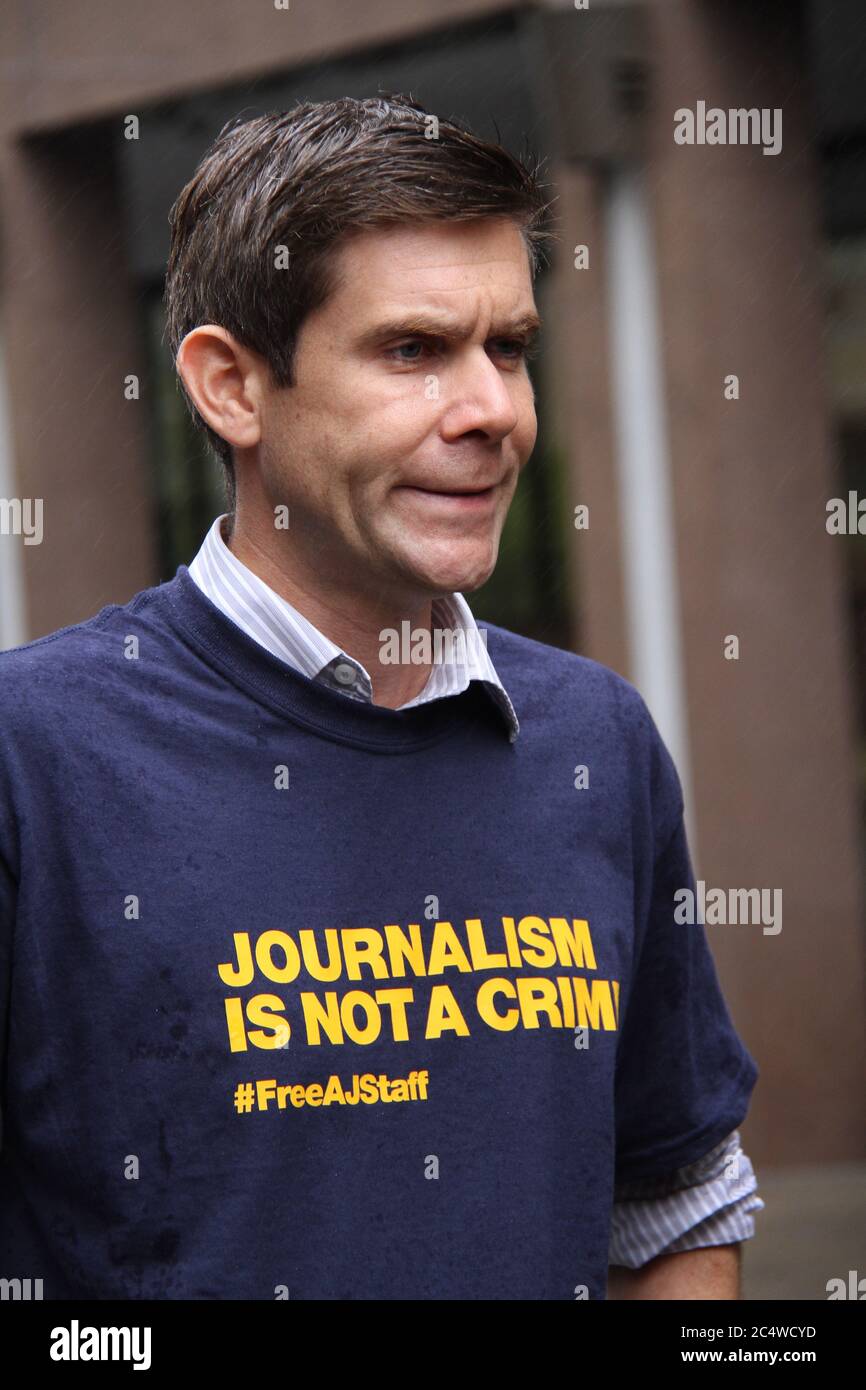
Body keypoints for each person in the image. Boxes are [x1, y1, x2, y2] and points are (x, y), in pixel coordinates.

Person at [0, 94, 761, 1301]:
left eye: (506, 348)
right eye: (412, 350)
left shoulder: (594, 741)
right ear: (231, 387)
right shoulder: (35, 754)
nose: (492, 412)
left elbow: (672, 1193)